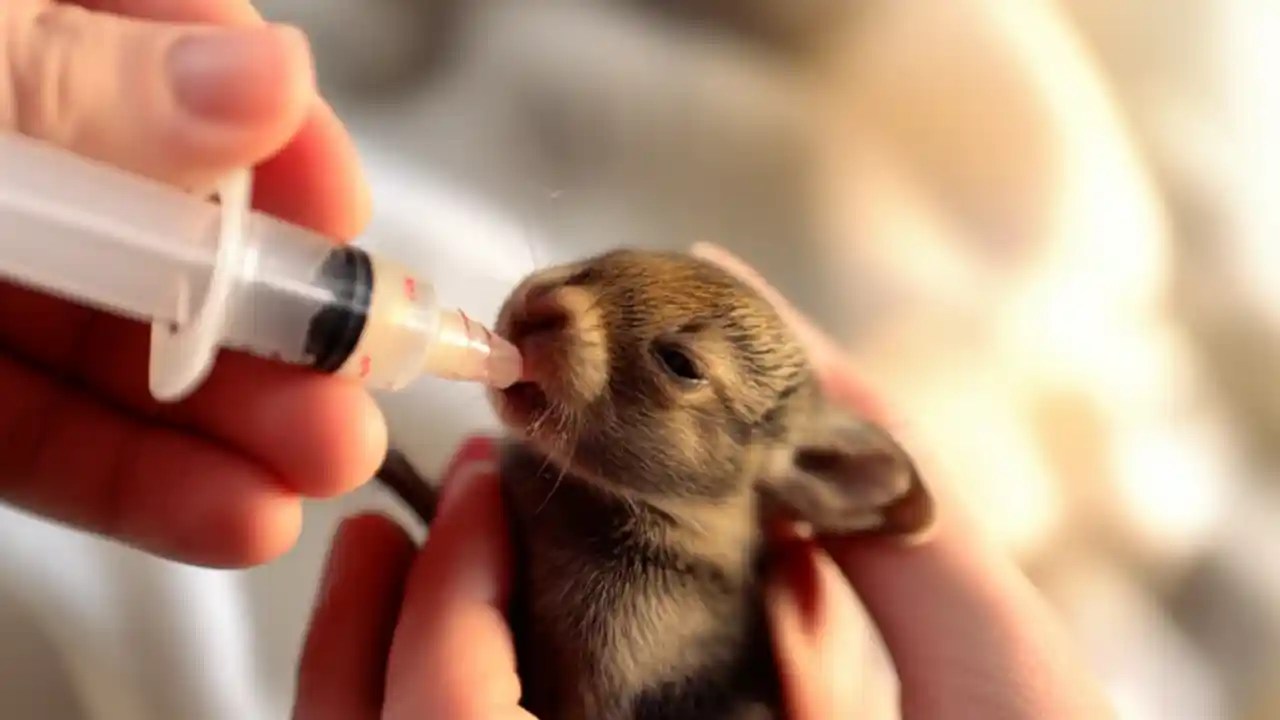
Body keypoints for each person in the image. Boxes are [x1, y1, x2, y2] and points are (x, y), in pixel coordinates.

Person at [0, 2, 1114, 718]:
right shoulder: (555, 473)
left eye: (675, 366)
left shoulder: (669, 607)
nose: (548, 305)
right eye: (593, 271)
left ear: (818, 474)